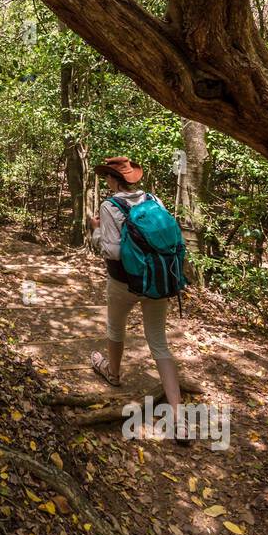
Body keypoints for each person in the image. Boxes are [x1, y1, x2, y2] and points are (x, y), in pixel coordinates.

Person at [85, 156, 189, 445]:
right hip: (158, 281)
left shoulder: (109, 206)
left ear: (111, 179)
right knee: (158, 340)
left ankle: (113, 373)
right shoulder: (153, 199)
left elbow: (113, 251)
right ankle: (179, 419)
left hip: (124, 282)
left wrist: (95, 229)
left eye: (107, 176)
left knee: (116, 328)